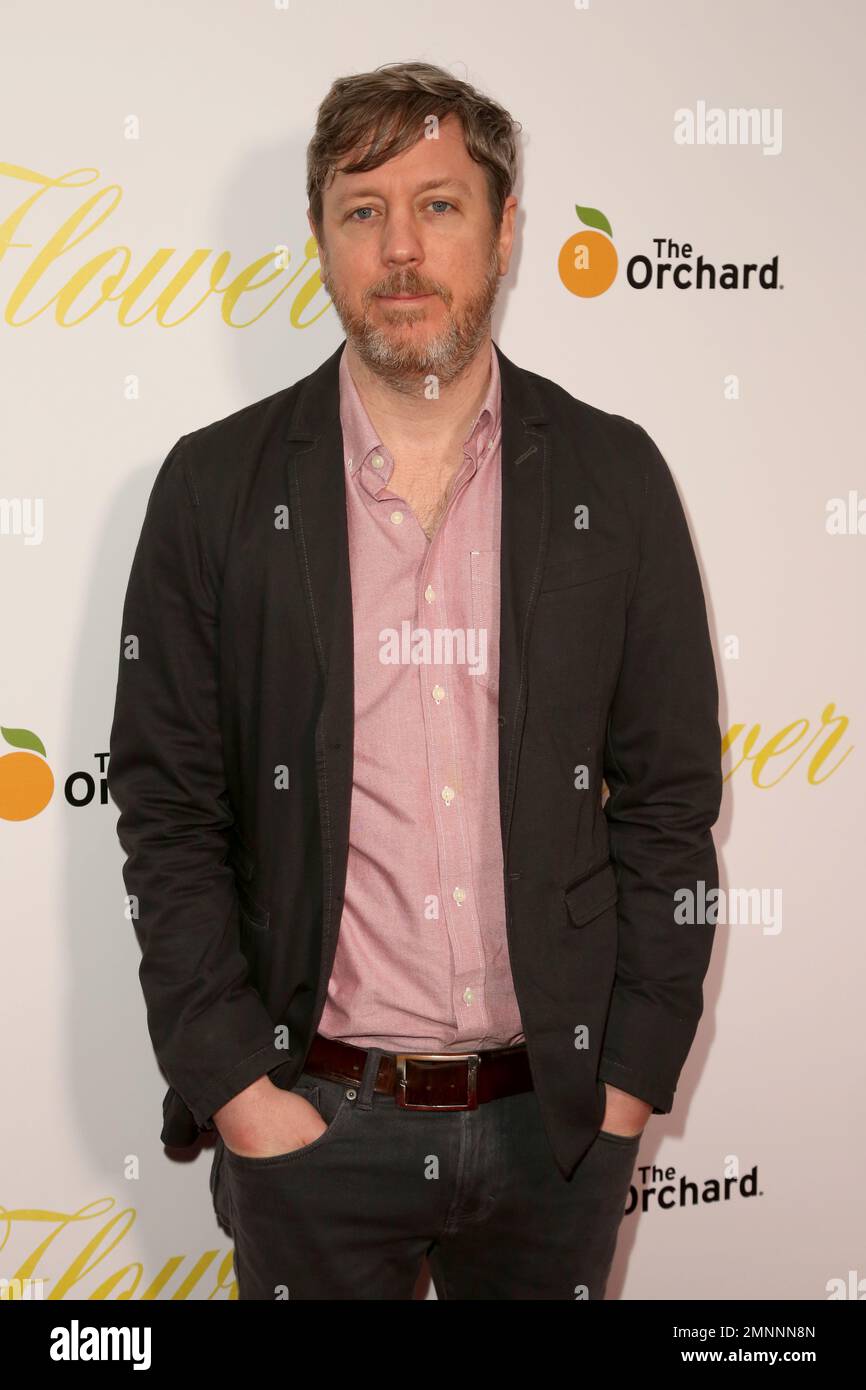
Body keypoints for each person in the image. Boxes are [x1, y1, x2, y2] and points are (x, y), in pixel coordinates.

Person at [107, 60, 722, 1300]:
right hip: (311, 1120)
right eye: (361, 208)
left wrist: (624, 1085)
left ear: (504, 231)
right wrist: (239, 1091)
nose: (400, 247)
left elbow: (668, 802)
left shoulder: (617, 476)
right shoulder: (212, 488)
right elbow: (167, 809)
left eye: (438, 205)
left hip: (554, 1126)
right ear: (321, 240)